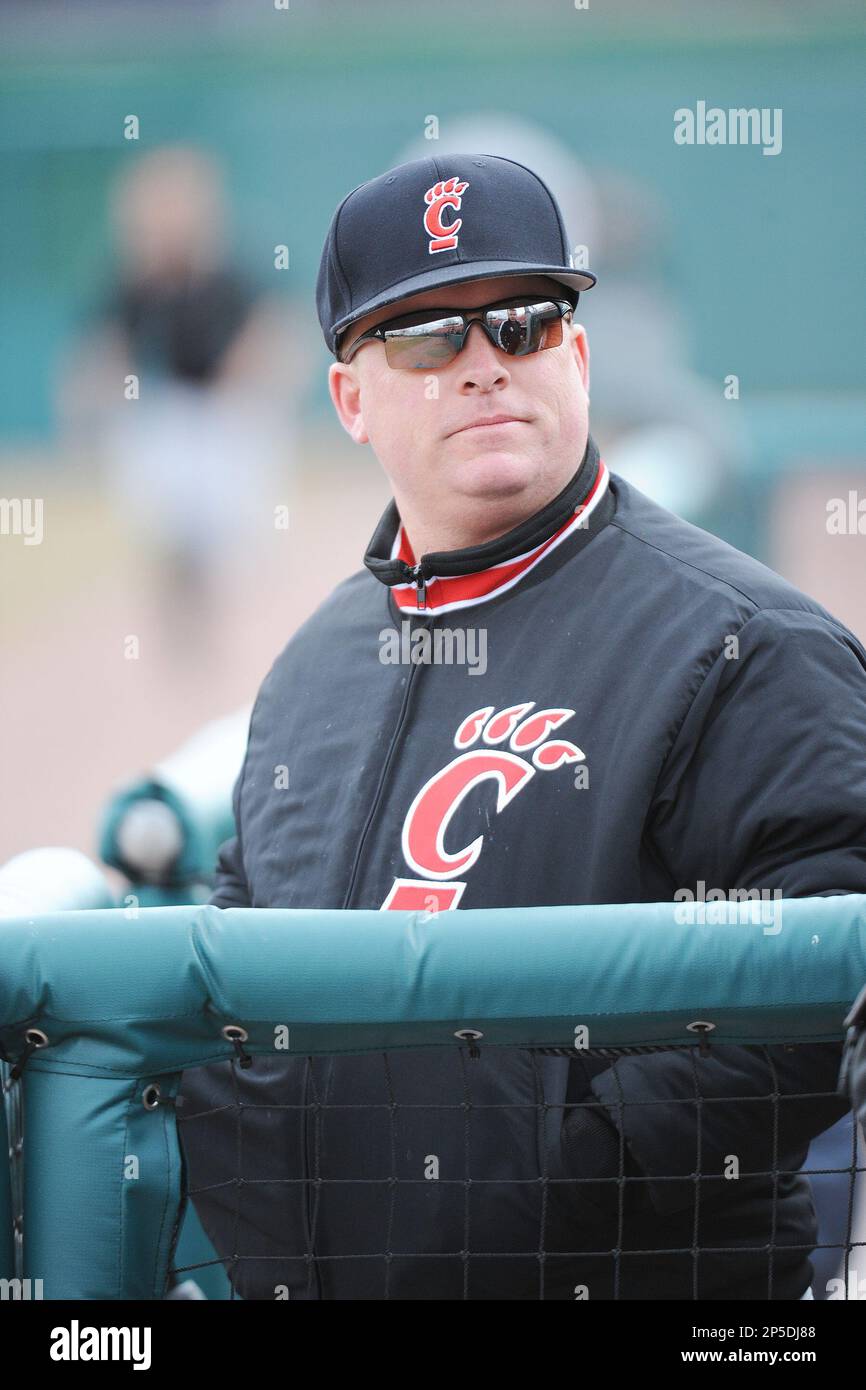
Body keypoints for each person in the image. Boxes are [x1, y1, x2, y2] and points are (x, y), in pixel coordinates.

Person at [179, 153, 866, 1300]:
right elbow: (239, 972)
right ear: (351, 397)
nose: (484, 365)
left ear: (578, 358)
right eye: (426, 339)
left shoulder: (746, 638)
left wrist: (572, 1168)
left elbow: (823, 948)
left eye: (521, 323)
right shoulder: (312, 666)